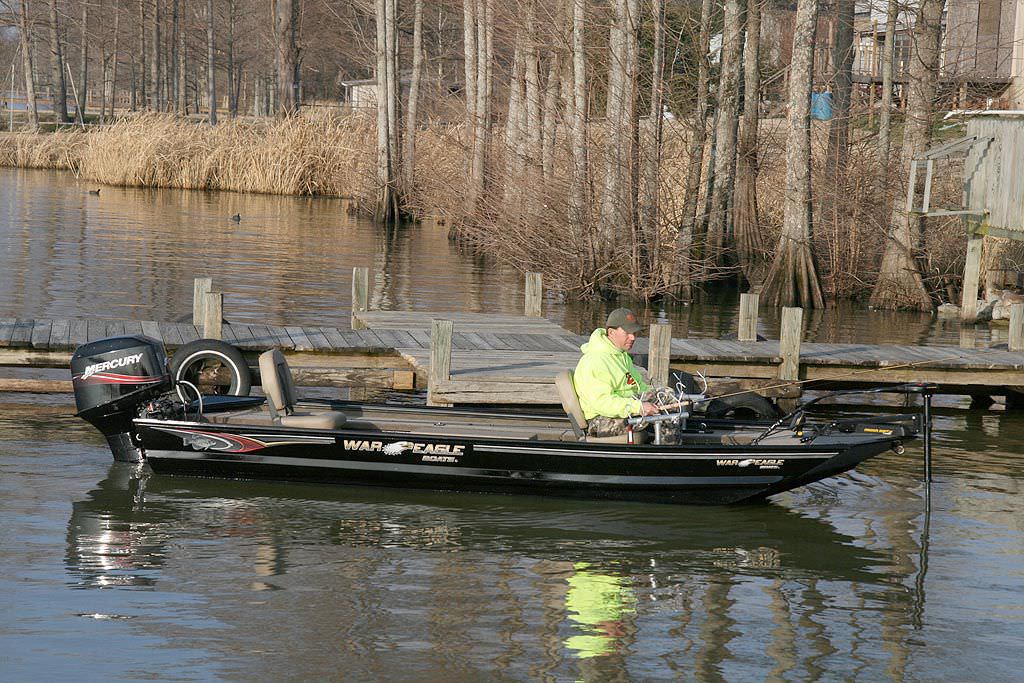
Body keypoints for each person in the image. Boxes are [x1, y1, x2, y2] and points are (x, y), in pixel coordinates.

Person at [572, 308, 677, 439]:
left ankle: (667, 441)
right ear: (611, 332)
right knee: (665, 403)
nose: (633, 337)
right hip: (600, 421)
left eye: (635, 333)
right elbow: (602, 403)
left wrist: (654, 396)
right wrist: (638, 407)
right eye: (627, 333)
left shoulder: (621, 356)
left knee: (665, 395)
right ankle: (669, 445)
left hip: (620, 411)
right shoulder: (595, 362)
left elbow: (638, 387)